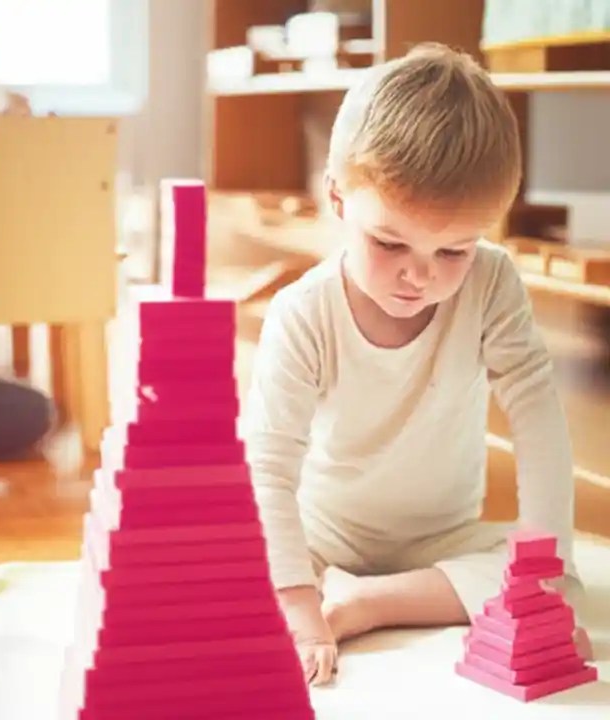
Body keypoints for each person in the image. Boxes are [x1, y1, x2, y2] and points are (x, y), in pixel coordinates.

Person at [241, 43, 590, 686]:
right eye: (389, 242)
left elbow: (538, 417)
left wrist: (541, 585)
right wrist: (300, 609)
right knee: (241, 565)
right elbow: (268, 467)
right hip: (325, 539)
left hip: (443, 543)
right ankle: (343, 592)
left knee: (561, 578)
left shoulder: (491, 283)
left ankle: (369, 602)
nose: (420, 276)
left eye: (454, 251)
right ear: (338, 198)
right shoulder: (303, 311)